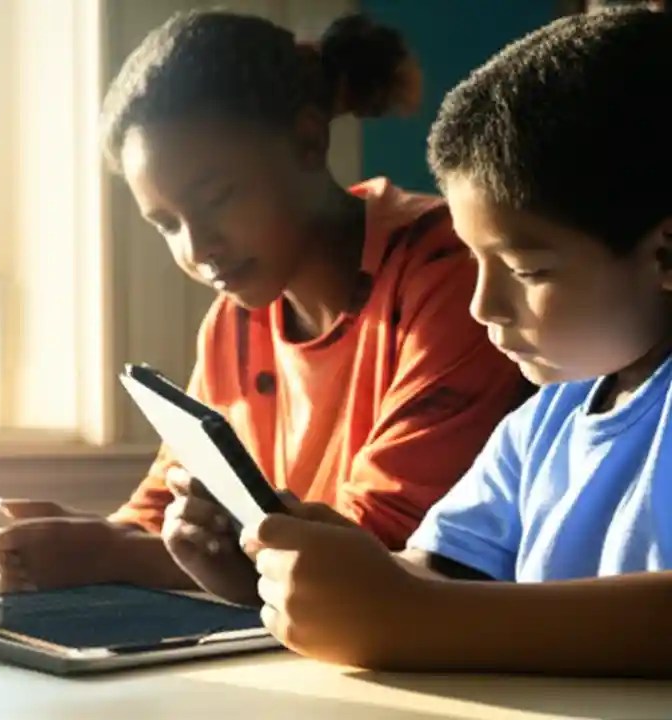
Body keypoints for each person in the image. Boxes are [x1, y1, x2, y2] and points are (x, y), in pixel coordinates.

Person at [0, 10, 527, 600]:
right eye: (165, 224)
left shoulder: (450, 271)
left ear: (309, 142)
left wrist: (117, 555)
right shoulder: (234, 323)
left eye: (218, 198)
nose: (198, 246)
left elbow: (386, 544)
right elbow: (166, 506)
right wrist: (91, 538)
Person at [219, 8, 672, 675]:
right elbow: (442, 577)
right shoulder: (541, 423)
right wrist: (331, 568)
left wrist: (410, 615)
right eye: (473, 260)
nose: (484, 306)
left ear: (664, 252)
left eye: (527, 270)